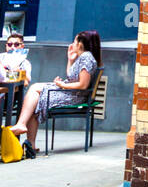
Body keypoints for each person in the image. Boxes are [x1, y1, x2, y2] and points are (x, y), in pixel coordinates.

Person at [10, 31, 100, 159]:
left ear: (80, 44)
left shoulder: (86, 57)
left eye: (75, 41)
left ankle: (23, 126)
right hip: (70, 93)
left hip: (73, 97)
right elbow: (71, 76)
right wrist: (70, 59)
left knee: (35, 95)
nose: (72, 44)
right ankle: (30, 142)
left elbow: (82, 85)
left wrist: (62, 85)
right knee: (34, 96)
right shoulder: (83, 57)